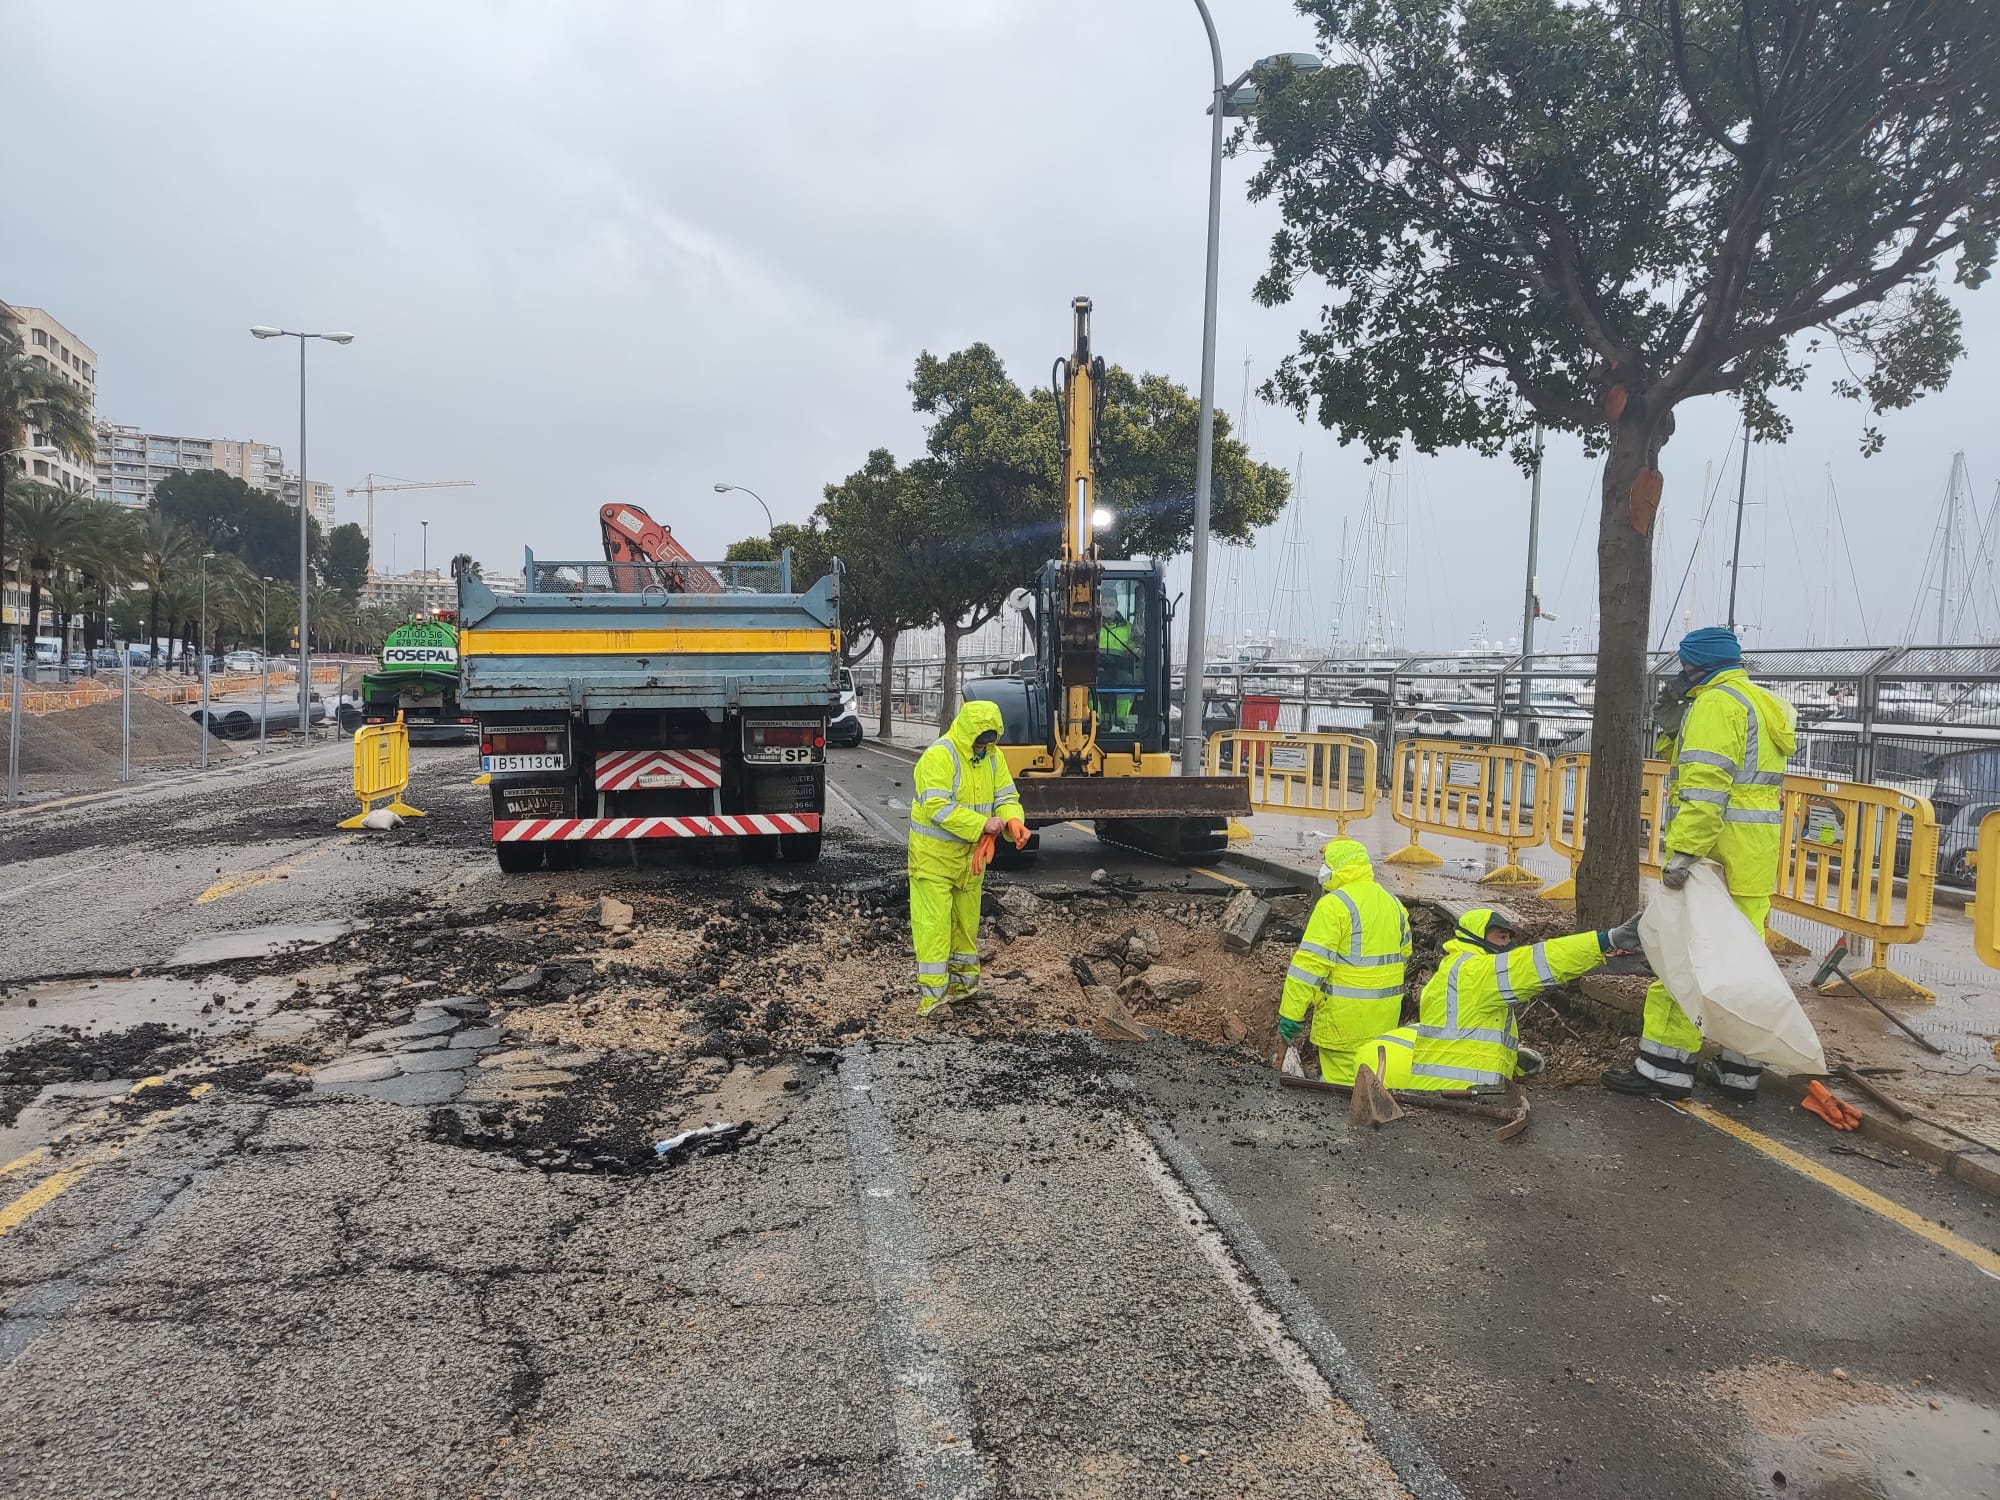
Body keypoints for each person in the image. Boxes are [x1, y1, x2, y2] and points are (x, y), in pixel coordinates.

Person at [1603, 626, 1796, 1102]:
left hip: (1712, 859)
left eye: (1683, 664)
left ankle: (1663, 1071)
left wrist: (1685, 851)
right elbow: (1716, 767)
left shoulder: (1715, 705)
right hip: (1751, 860)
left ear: (1695, 664)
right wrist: (1674, 730)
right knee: (1742, 966)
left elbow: (1705, 786)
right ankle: (1739, 1073)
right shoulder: (1760, 703)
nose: (1679, 673)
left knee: (1681, 961)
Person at [1356, 907, 1641, 1090]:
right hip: (1463, 1093)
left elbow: (1463, 1039)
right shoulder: (1476, 971)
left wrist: (1514, 1060)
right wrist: (1606, 941)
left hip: (1446, 1089)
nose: (1507, 946)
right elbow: (1539, 963)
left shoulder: (1454, 970)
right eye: (1500, 938)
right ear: (1476, 939)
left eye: (1508, 938)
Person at [908, 700, 1026, 1016]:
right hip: (933, 860)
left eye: (989, 740)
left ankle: (963, 990)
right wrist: (981, 825)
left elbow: (1006, 796)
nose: (984, 746)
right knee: (933, 926)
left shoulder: (992, 757)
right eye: (979, 740)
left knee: (965, 925)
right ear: (966, 732)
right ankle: (933, 1001)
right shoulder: (940, 756)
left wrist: (1013, 819)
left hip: (969, 862)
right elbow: (935, 806)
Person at [1277, 839, 1413, 1084]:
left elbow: (1309, 967)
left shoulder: (1334, 906)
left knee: (1341, 1094)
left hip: (1343, 1022)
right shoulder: (1394, 904)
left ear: (1339, 868)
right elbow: (1403, 957)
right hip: (1385, 1020)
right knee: (1373, 1081)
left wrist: (1291, 1014)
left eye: (1327, 864)